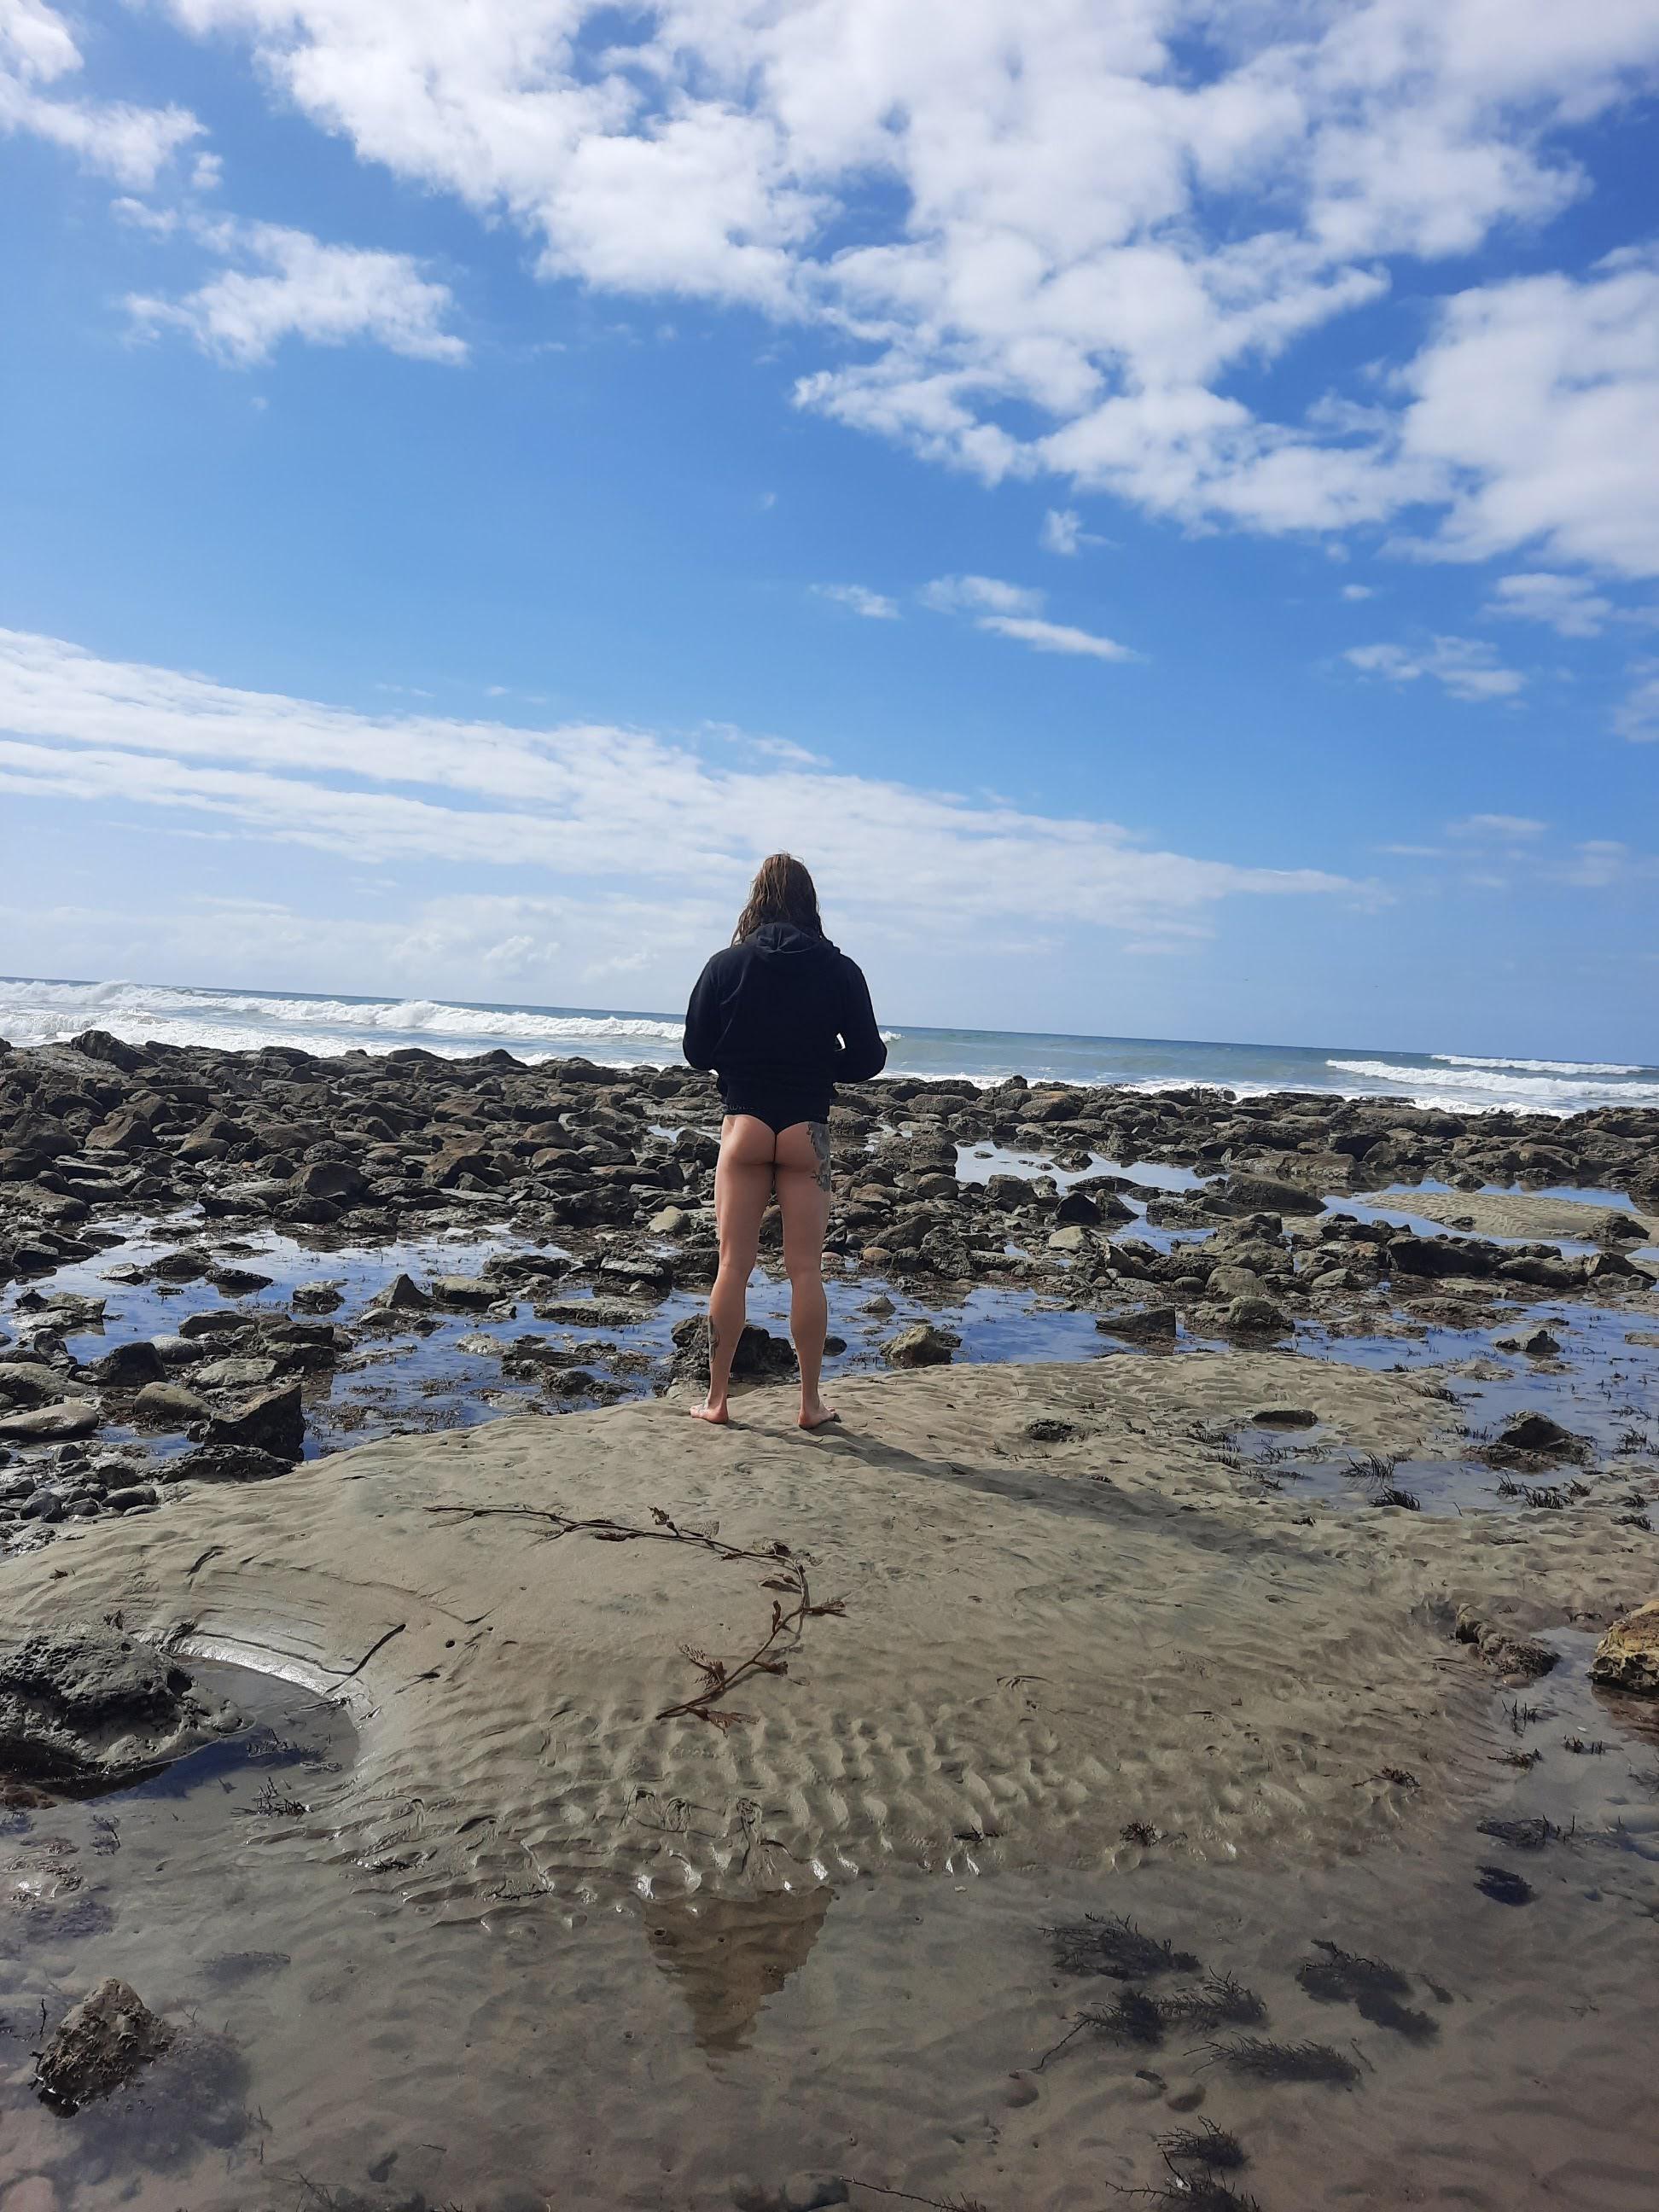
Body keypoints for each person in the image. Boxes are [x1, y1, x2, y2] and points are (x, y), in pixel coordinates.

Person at [682, 853, 887, 1428]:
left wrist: (742, 1059)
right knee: (805, 1270)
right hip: (806, 1132)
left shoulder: (726, 965)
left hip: (743, 1127)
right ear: (809, 902)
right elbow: (870, 1057)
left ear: (757, 899)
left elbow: (696, 1051)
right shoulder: (840, 970)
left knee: (732, 1265)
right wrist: (819, 1065)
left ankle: (718, 1401)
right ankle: (810, 1404)